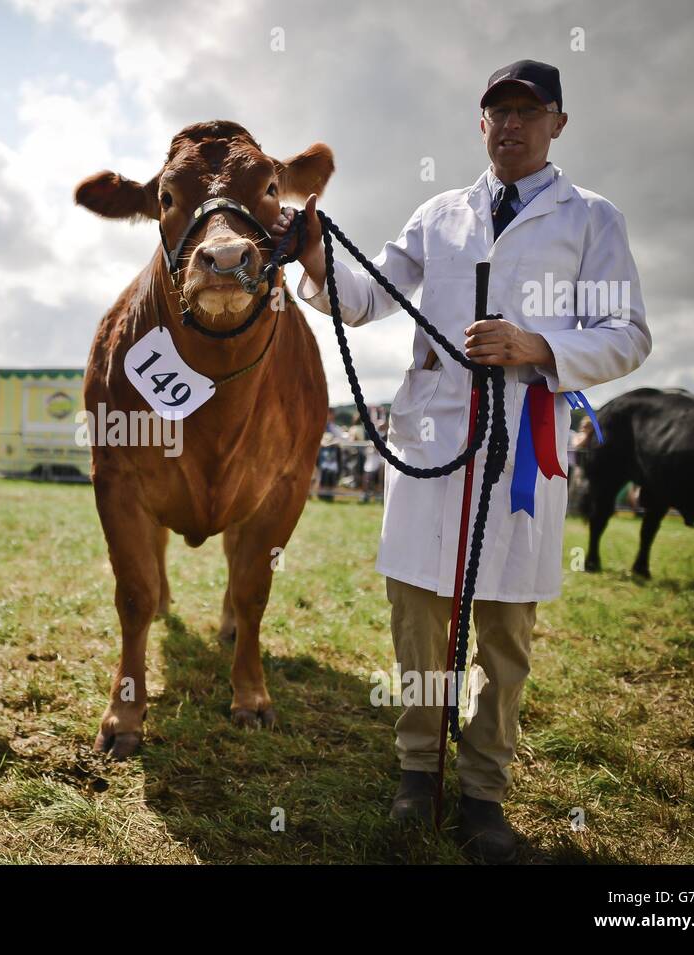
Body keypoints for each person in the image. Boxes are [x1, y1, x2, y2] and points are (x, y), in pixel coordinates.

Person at [274, 60, 651, 862]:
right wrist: (313, 256)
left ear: (557, 122)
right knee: (417, 621)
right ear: (480, 125)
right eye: (496, 113)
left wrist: (536, 344)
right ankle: (417, 773)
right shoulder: (439, 215)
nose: (510, 125)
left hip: (521, 443)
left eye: (527, 110)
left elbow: (628, 334)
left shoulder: (592, 219)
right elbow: (367, 297)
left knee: (505, 632)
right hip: (430, 444)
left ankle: (482, 791)